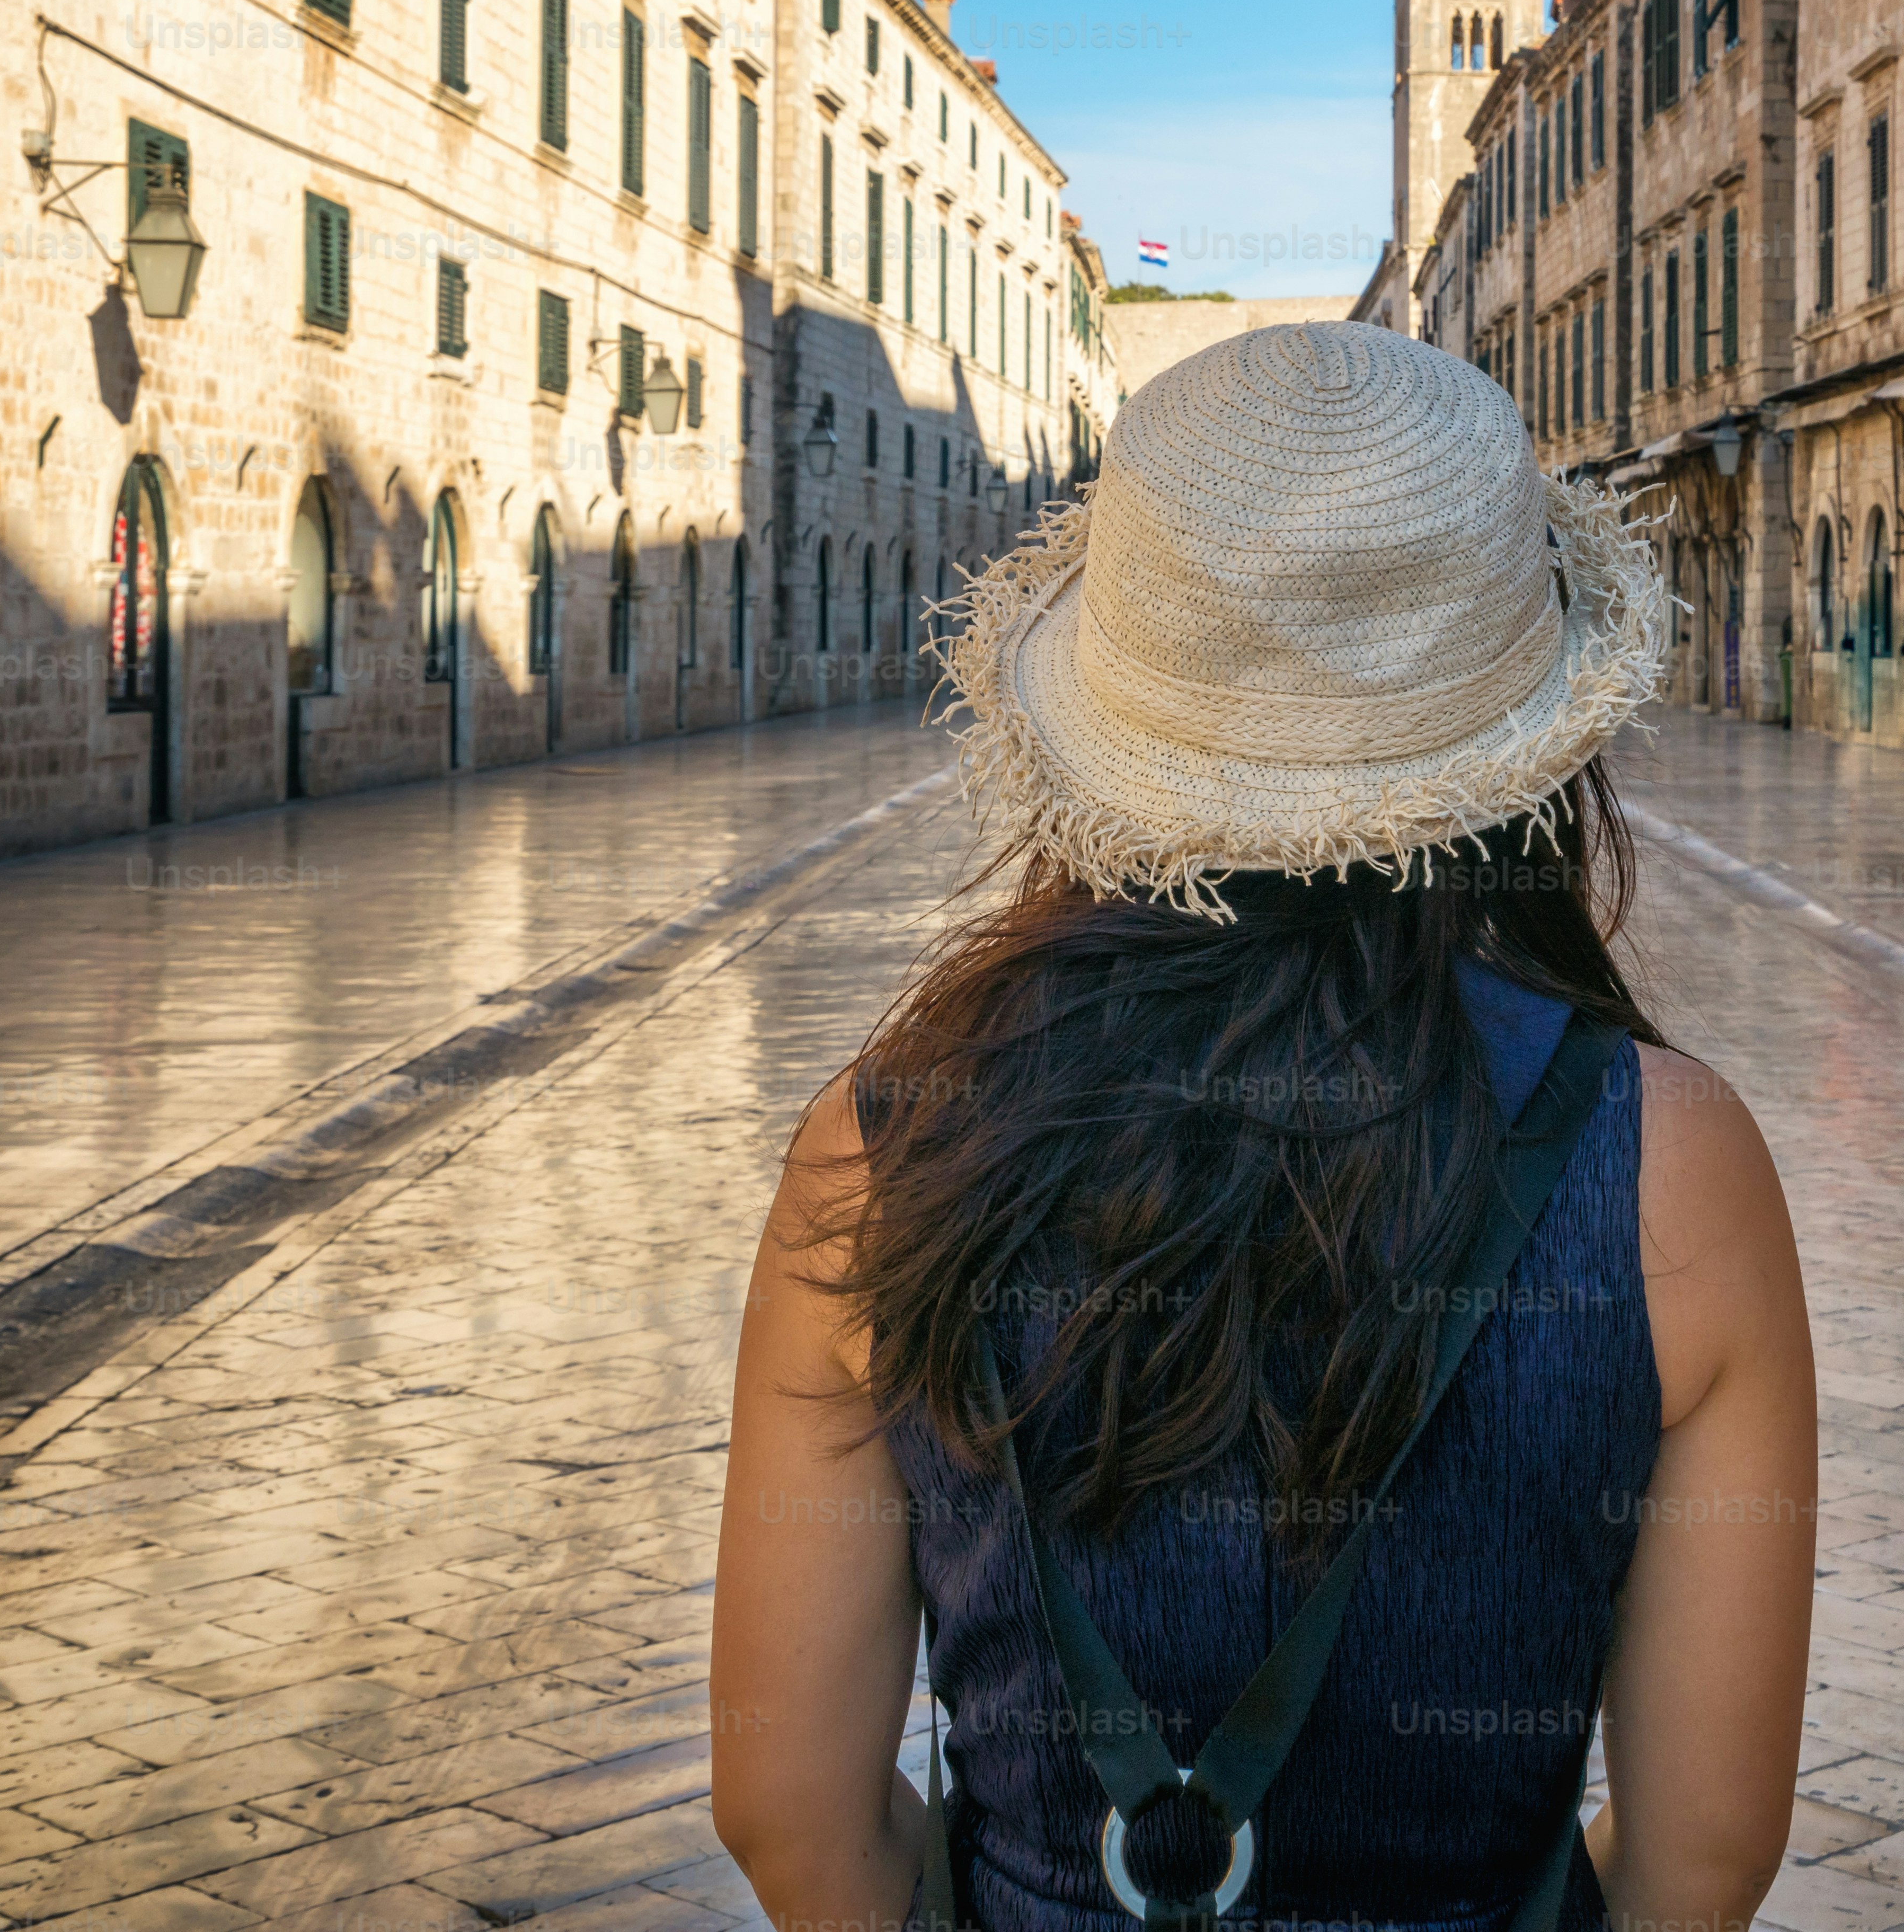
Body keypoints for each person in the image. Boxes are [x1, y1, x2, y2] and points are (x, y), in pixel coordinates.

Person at [713, 320, 1817, 1931]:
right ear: (1528, 746)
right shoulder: (1675, 1162)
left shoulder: (884, 1144)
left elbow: (791, 1819)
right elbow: (1698, 1863)